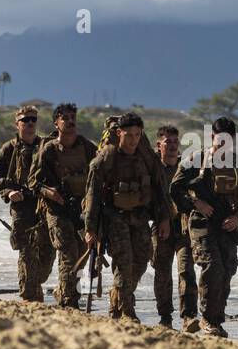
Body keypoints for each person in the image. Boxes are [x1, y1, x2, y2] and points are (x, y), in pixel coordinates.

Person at [170, 117, 238, 337]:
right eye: (219, 138)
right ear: (212, 137)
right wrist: (196, 203)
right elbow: (175, 189)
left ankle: (217, 318)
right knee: (212, 267)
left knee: (227, 271)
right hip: (201, 223)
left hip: (227, 226)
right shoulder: (196, 160)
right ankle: (207, 319)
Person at [84, 113, 170, 321]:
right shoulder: (107, 158)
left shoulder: (146, 158)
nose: (133, 140)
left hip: (140, 216)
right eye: (128, 135)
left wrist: (164, 218)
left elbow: (160, 190)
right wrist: (90, 228)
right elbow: (92, 196)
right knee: (124, 261)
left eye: (137, 135)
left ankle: (117, 297)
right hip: (114, 216)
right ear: (119, 133)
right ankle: (127, 311)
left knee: (141, 259)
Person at [27, 103, 98, 308]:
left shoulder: (86, 147)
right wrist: (50, 192)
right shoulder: (48, 150)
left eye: (73, 117)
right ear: (56, 123)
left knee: (82, 254)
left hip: (81, 210)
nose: (70, 121)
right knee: (67, 252)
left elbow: (99, 174)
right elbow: (33, 181)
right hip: (56, 209)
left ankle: (64, 290)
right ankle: (70, 301)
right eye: (65, 118)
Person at [0, 105, 55, 302]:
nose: (29, 124)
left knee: (48, 253)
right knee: (27, 250)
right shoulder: (8, 150)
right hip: (21, 206)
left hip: (44, 205)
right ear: (17, 123)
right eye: (25, 120)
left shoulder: (46, 146)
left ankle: (35, 283)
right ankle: (29, 294)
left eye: (33, 120)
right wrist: (9, 192)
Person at [149, 125, 196, 330]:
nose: (172, 146)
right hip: (160, 226)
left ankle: (189, 316)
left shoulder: (185, 169)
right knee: (162, 272)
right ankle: (165, 317)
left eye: (176, 142)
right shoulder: (152, 169)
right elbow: (149, 199)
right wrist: (162, 218)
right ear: (158, 145)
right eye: (168, 142)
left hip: (184, 227)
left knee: (186, 270)